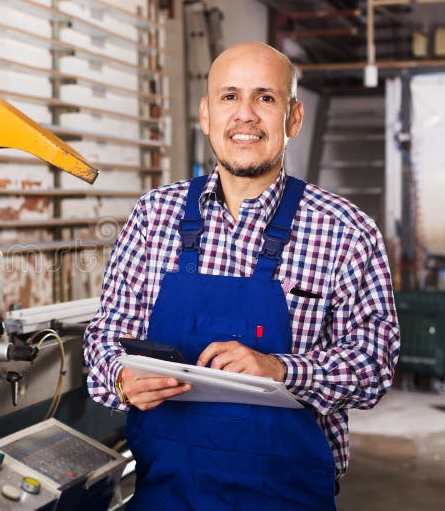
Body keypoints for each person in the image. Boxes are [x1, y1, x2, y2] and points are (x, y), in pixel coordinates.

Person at [84, 42, 400, 510]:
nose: (245, 115)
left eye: (265, 98)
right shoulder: (153, 217)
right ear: (207, 114)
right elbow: (105, 336)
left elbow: (375, 363)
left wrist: (282, 370)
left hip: (287, 498)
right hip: (166, 494)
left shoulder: (347, 231)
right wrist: (119, 376)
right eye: (230, 97)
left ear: (293, 118)